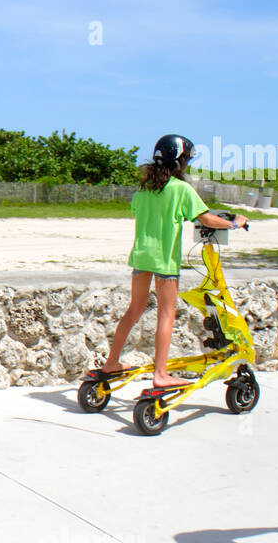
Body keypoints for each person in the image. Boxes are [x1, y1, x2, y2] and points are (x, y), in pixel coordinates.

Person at [87, 134, 247, 390]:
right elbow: (206, 219)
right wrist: (234, 223)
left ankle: (111, 364)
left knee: (134, 310)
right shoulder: (181, 189)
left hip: (141, 256)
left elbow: (142, 213)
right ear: (180, 161)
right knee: (166, 314)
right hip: (164, 261)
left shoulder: (144, 189)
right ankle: (160, 374)